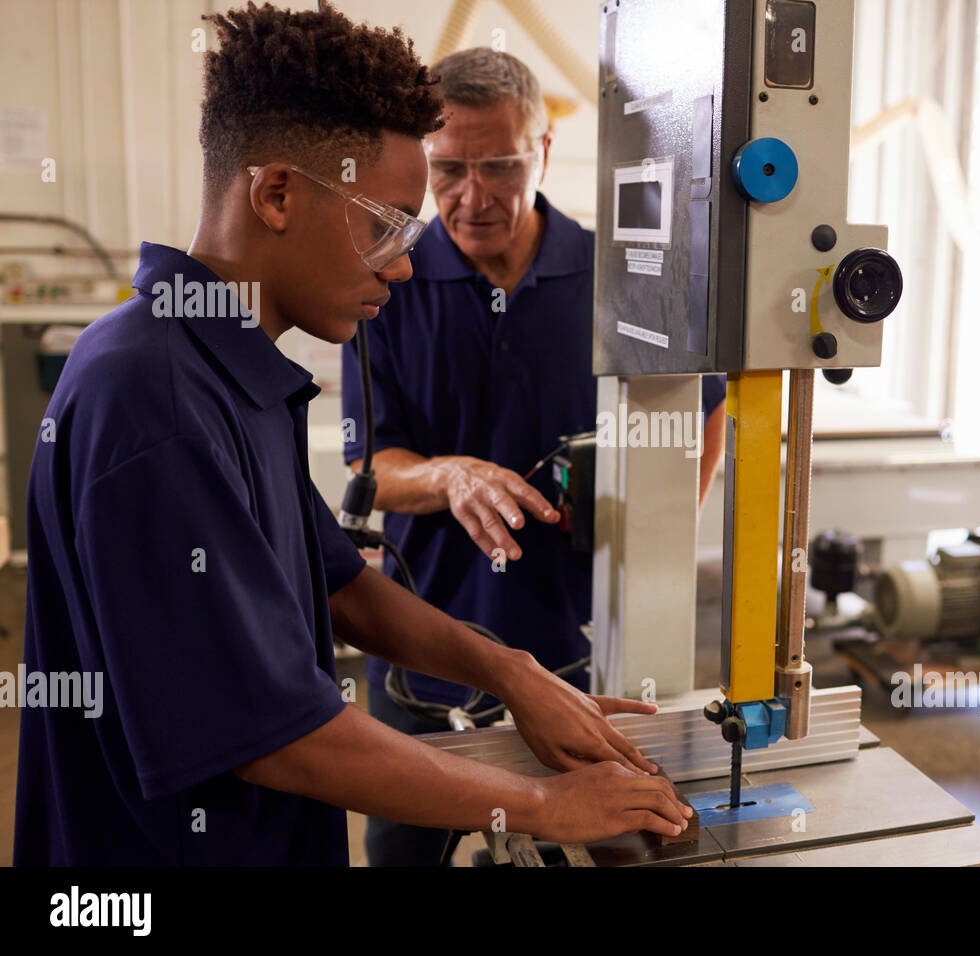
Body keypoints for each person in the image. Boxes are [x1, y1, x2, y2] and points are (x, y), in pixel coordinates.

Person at [15, 1, 689, 867]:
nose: (406, 263)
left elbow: (341, 587)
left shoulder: (230, 367)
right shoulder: (153, 398)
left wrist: (510, 672)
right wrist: (539, 805)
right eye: (387, 225)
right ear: (278, 193)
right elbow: (275, 736)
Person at [340, 47, 725, 866]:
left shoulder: (619, 275)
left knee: (604, 852)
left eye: (502, 167)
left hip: (582, 664)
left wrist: (657, 533)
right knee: (407, 854)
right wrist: (448, 474)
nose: (472, 197)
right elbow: (370, 469)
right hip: (423, 663)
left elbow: (709, 406)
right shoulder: (386, 280)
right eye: (447, 171)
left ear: (544, 152)